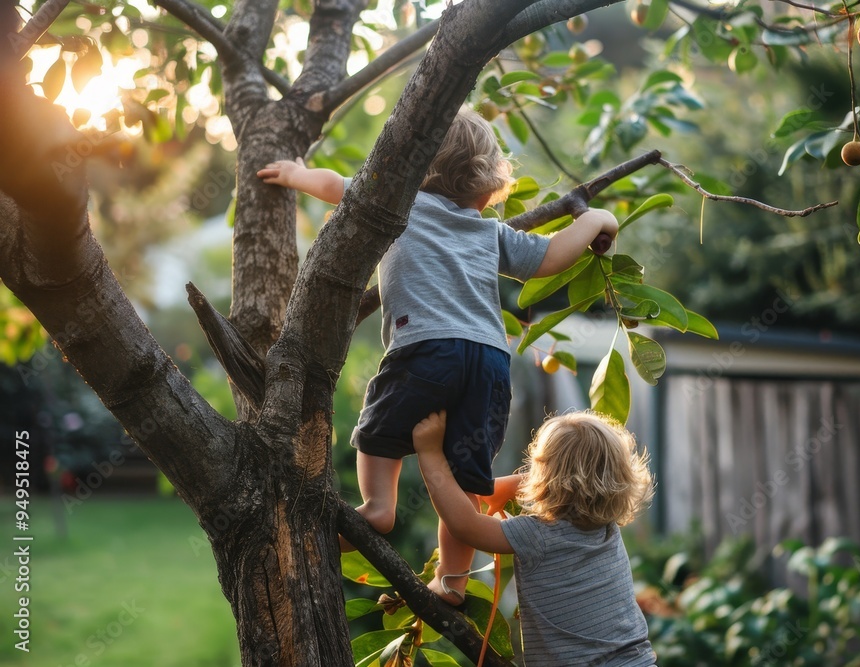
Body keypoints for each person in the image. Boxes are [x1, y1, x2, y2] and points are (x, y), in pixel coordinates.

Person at [256, 108, 619, 604]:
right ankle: (451, 581)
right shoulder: (489, 232)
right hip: (490, 362)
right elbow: (553, 256)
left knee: (380, 435)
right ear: (489, 186)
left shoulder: (397, 206)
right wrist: (596, 217)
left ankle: (378, 506)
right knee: (466, 484)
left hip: (424, 348)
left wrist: (297, 175)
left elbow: (335, 187)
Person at [413, 410, 656, 667]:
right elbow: (580, 482)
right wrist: (504, 487)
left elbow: (464, 525)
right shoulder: (607, 528)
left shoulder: (537, 535)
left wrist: (430, 453)